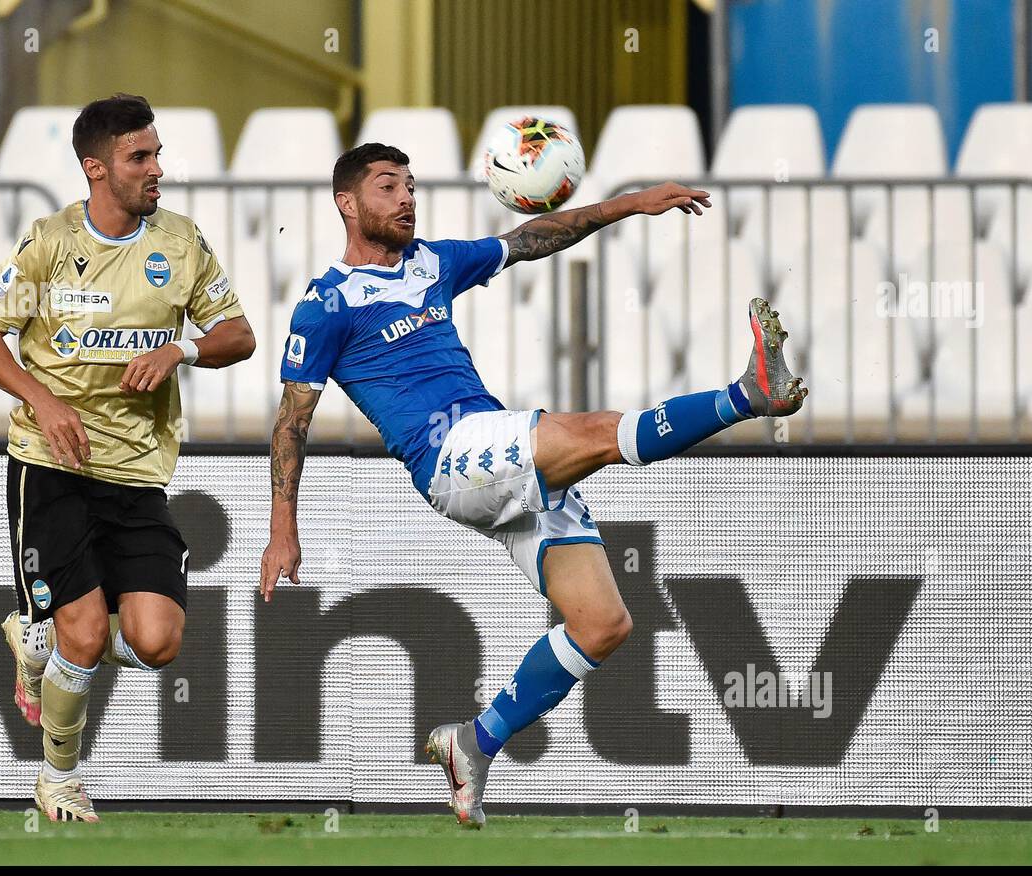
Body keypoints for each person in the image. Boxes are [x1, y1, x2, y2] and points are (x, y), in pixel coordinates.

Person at [259, 142, 806, 826]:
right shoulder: (325, 304)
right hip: (451, 456)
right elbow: (291, 421)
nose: (406, 197)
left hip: (498, 457)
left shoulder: (432, 262)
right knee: (600, 432)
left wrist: (630, 203)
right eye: (387, 185)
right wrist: (283, 527)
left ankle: (473, 741)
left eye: (411, 185)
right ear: (347, 202)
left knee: (603, 624)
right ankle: (748, 395)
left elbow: (530, 238)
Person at [0, 93, 255, 822]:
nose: (157, 168)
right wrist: (45, 400)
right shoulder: (50, 245)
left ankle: (42, 636)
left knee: (157, 642)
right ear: (96, 168)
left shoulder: (181, 244)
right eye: (140, 157)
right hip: (51, 462)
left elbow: (241, 335)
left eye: (156, 153)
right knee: (87, 632)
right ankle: (60, 780)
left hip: (137, 472)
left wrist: (181, 346)